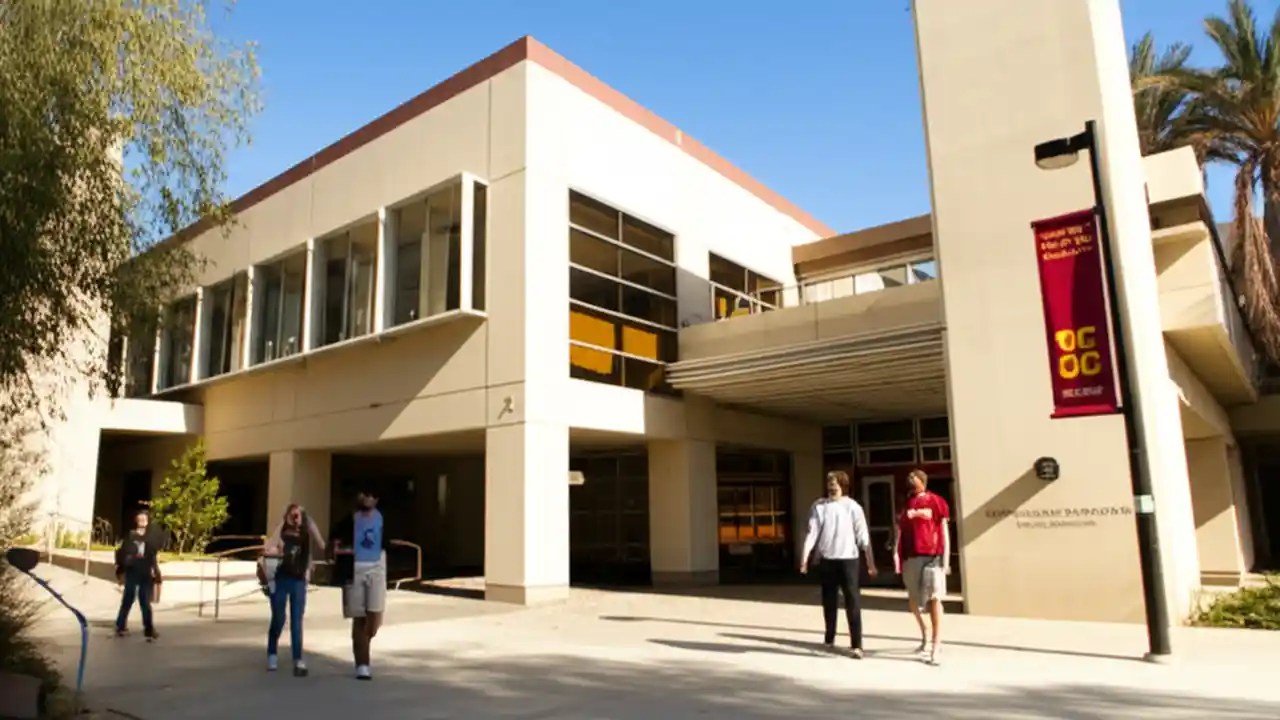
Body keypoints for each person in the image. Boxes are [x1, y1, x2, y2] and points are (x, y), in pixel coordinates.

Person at [800, 470, 876, 658]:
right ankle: (829, 637)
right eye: (829, 483)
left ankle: (856, 644)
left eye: (835, 483)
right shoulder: (819, 506)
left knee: (853, 601)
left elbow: (863, 536)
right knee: (829, 601)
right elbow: (812, 534)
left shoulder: (853, 507)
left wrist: (870, 562)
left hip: (849, 560)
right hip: (827, 560)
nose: (832, 486)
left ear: (843, 485)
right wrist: (804, 558)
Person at [893, 468, 951, 666]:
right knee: (914, 599)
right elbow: (899, 530)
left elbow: (944, 530)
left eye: (913, 477)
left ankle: (936, 643)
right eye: (908, 477)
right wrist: (896, 554)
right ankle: (925, 632)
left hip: (932, 556)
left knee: (934, 598)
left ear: (922, 480)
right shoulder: (906, 504)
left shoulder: (937, 501)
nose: (910, 480)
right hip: (912, 556)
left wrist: (946, 560)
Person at [330, 487, 388, 680]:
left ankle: (365, 639)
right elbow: (334, 539)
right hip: (354, 569)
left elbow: (389, 542)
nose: (366, 497)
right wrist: (335, 549)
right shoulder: (350, 519)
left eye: (371, 494)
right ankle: (362, 664)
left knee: (375, 616)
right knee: (359, 617)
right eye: (363, 493)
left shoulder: (382, 518)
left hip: (377, 568)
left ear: (377, 499)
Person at [261, 503, 325, 676]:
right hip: (282, 577)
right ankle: (272, 653)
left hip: (298, 580)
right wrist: (275, 549)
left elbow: (321, 543)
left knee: (297, 620)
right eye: (293, 514)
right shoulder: (283, 527)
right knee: (279, 617)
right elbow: (269, 547)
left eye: (299, 515)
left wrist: (309, 523)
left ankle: (298, 659)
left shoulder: (305, 531)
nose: (296, 518)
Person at [114, 508, 162, 641]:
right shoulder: (130, 535)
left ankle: (148, 629)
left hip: (145, 572)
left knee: (145, 602)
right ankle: (120, 626)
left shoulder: (151, 537)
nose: (142, 521)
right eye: (140, 518)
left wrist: (156, 571)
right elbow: (122, 552)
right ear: (136, 520)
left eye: (144, 519)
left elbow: (153, 555)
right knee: (128, 599)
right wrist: (120, 569)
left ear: (148, 521)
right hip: (132, 570)